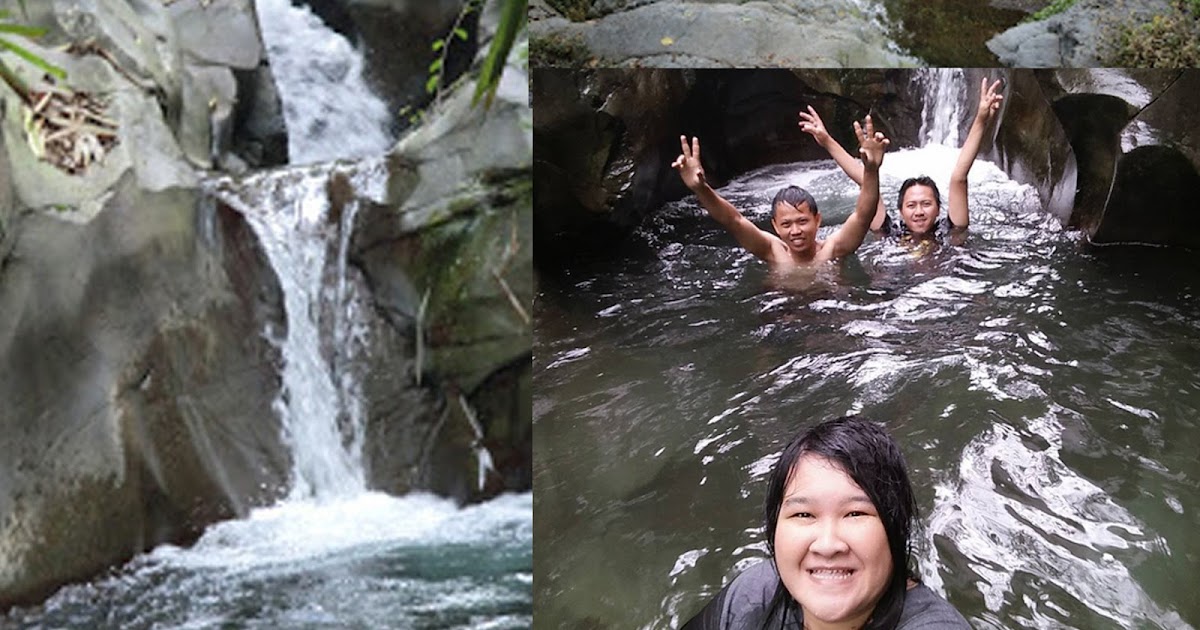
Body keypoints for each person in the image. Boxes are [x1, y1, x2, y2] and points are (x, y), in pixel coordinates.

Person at [681, 416, 970, 629]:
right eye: (803, 515)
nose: (827, 545)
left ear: (896, 527)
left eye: (855, 514)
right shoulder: (753, 595)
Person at [672, 115, 889, 273]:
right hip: (783, 314)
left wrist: (871, 169)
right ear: (775, 226)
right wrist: (701, 188)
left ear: (818, 220)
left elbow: (863, 215)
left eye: (802, 221)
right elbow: (734, 220)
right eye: (786, 224)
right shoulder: (773, 251)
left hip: (829, 311)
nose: (796, 231)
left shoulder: (833, 249)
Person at [798, 77, 1004, 240]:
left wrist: (981, 118)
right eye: (911, 205)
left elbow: (959, 177)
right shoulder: (889, 232)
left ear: (939, 209)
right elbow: (866, 183)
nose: (919, 211)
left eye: (926, 204)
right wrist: (826, 141)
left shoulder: (950, 231)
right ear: (900, 211)